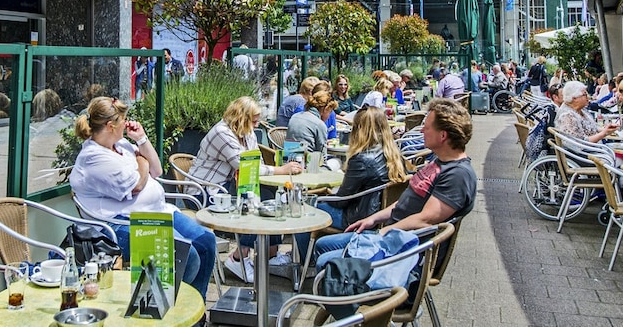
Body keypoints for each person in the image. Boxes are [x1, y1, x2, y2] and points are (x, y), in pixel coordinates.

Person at [68, 98, 215, 300]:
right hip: (119, 223)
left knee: (206, 241)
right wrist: (140, 160)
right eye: (123, 120)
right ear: (111, 126)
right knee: (185, 255)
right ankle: (171, 307)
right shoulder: (93, 156)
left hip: (157, 211)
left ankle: (197, 310)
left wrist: (142, 140)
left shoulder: (120, 144)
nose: (127, 123)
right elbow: (136, 186)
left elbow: (156, 169)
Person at [311, 98, 477, 266]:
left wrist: (382, 232)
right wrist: (373, 219)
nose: (421, 132)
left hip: (406, 250)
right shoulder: (439, 162)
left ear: (443, 136)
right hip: (392, 235)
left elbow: (425, 220)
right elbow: (404, 203)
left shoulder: (458, 175)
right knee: (321, 245)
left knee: (325, 261)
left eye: (426, 128)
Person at [187, 97, 302, 283]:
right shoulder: (221, 132)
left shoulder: (248, 132)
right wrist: (281, 170)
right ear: (241, 117)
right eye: (254, 119)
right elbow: (244, 164)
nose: (257, 124)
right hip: (206, 189)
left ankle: (271, 253)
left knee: (268, 196)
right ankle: (238, 258)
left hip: (229, 185)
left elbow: (257, 163)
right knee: (250, 200)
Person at [293, 106, 408, 258]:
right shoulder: (394, 155)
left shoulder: (362, 159)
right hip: (380, 216)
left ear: (359, 129)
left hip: (358, 217)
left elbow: (341, 201)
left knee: (303, 209)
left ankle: (303, 261)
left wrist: (326, 194)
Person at [554, 81, 618, 143]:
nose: (588, 97)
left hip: (595, 149)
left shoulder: (581, 110)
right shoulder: (567, 116)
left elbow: (592, 129)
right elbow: (579, 144)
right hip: (584, 153)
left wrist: (607, 129)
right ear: (574, 98)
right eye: (584, 94)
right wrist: (604, 133)